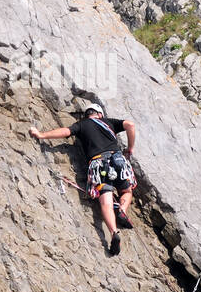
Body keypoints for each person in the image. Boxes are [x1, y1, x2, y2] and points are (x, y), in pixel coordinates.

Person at [30, 103, 136, 256]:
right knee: (126, 190)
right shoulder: (108, 122)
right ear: (99, 114)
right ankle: (121, 210)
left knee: (105, 201)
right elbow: (130, 125)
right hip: (118, 159)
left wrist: (41, 135)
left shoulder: (82, 125)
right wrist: (130, 148)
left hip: (99, 164)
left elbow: (65, 132)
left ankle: (114, 232)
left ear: (87, 115)